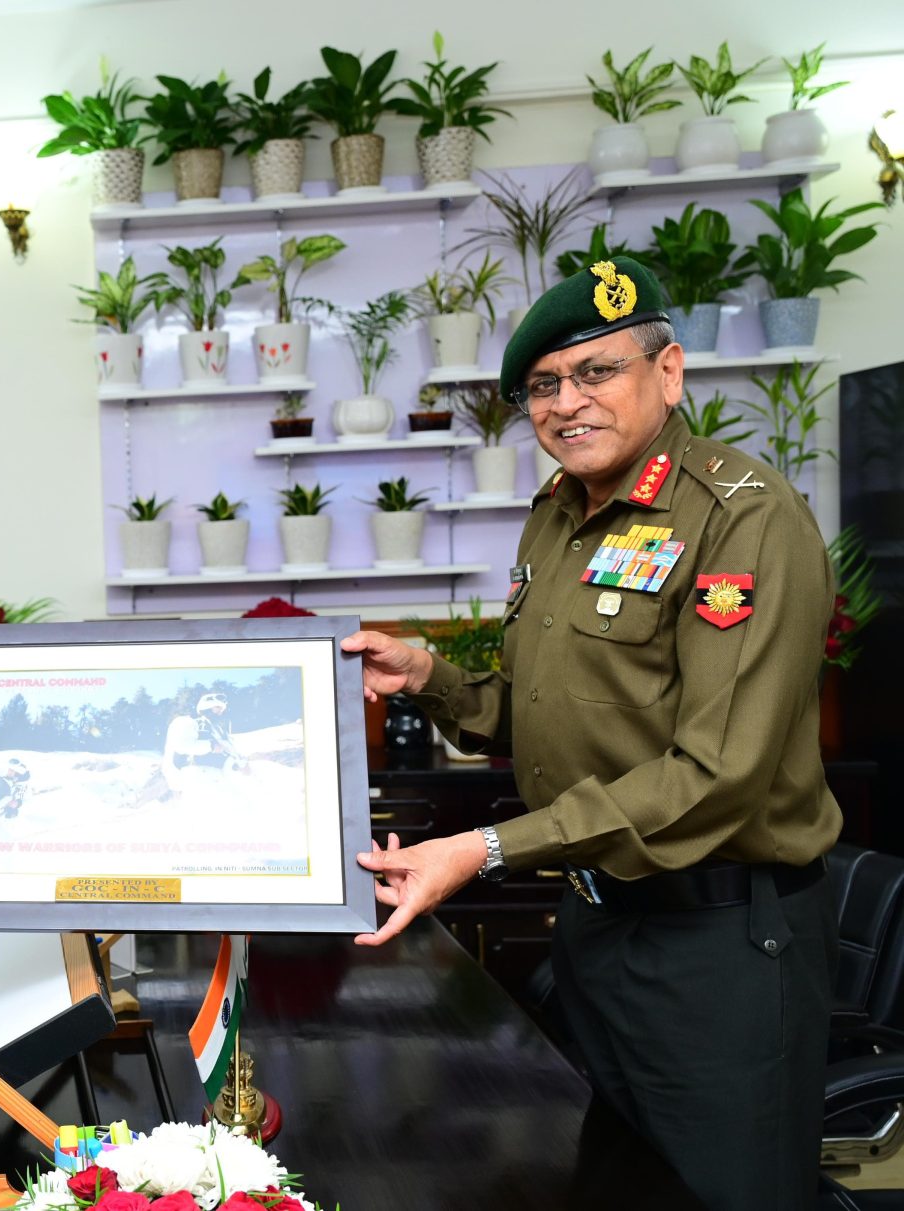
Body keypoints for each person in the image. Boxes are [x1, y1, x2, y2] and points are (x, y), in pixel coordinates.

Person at [342, 257, 840, 1211]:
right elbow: (543, 711)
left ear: (670, 372)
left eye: (597, 371)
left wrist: (486, 848)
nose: (566, 402)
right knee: (613, 1187)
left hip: (719, 941)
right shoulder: (560, 516)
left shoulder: (744, 519)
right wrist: (430, 676)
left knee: (721, 1194)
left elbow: (715, 773)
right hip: (598, 924)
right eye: (544, 384)